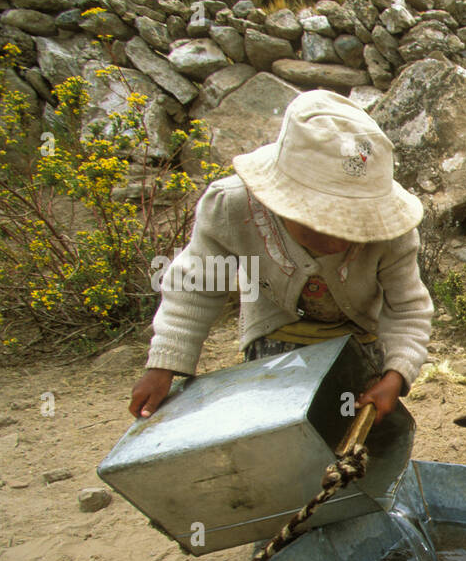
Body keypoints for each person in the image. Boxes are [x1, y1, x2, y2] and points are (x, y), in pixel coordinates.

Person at [129, 90, 433, 424]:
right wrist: (164, 364)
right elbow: (196, 287)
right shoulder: (233, 208)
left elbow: (407, 309)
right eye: (319, 226)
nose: (335, 243)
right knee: (275, 431)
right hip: (274, 339)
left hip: (359, 341)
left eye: (350, 228)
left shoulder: (392, 234)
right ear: (278, 202)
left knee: (350, 432)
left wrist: (395, 375)